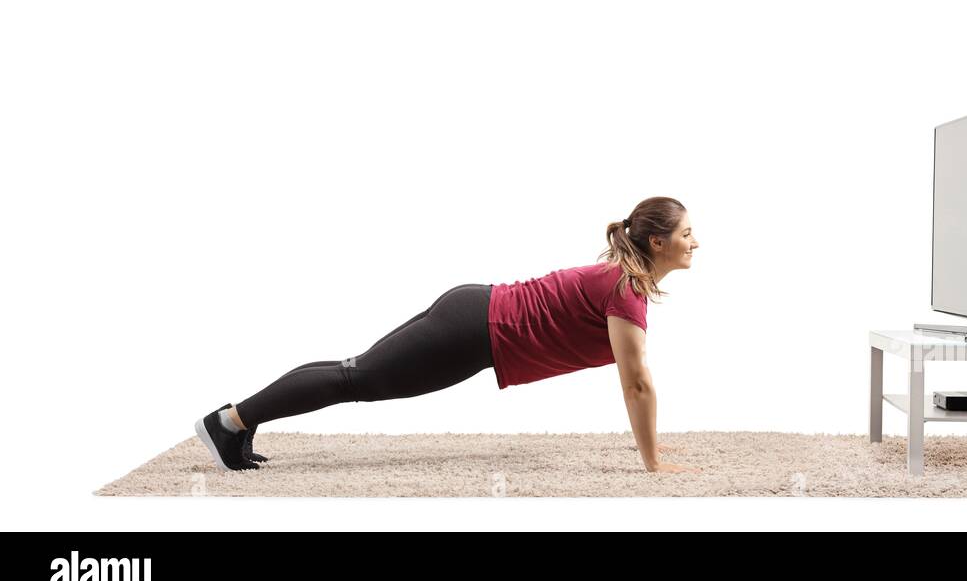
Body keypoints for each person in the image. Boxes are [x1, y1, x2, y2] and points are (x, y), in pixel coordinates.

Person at [194, 196, 702, 475]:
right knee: (355, 380)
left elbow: (632, 377)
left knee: (354, 371)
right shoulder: (625, 292)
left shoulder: (622, 280)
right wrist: (654, 464)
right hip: (475, 331)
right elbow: (637, 384)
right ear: (657, 241)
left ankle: (238, 425)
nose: (694, 243)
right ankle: (230, 422)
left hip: (473, 311)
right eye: (685, 235)